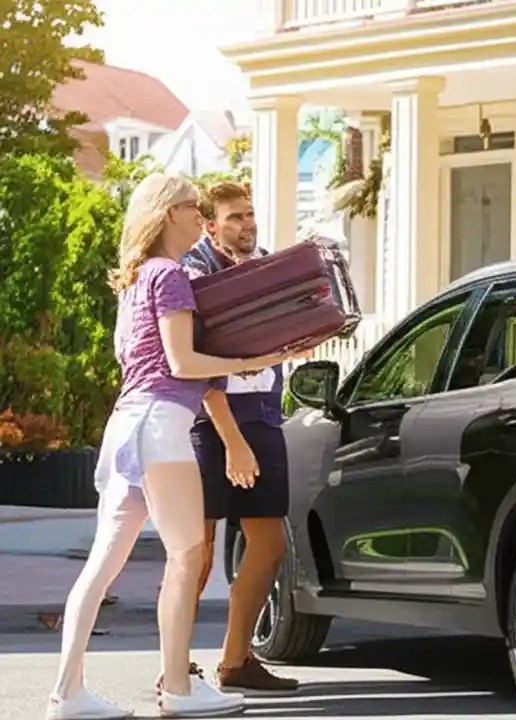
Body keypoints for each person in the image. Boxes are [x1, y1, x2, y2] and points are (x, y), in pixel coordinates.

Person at [46, 173, 303, 720]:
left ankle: (67, 694)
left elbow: (143, 361)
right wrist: (244, 365)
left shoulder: (137, 278)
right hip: (162, 428)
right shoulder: (171, 277)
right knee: (187, 558)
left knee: (102, 566)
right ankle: (180, 692)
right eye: (191, 208)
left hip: (125, 427)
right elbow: (183, 363)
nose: (198, 216)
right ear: (168, 214)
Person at [181, 181, 299, 694]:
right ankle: (174, 662)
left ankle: (235, 661)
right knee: (197, 551)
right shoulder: (193, 274)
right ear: (210, 225)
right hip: (210, 422)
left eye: (250, 214)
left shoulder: (266, 265)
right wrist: (232, 441)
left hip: (263, 415)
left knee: (268, 543)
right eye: (234, 217)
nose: (247, 224)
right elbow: (196, 367)